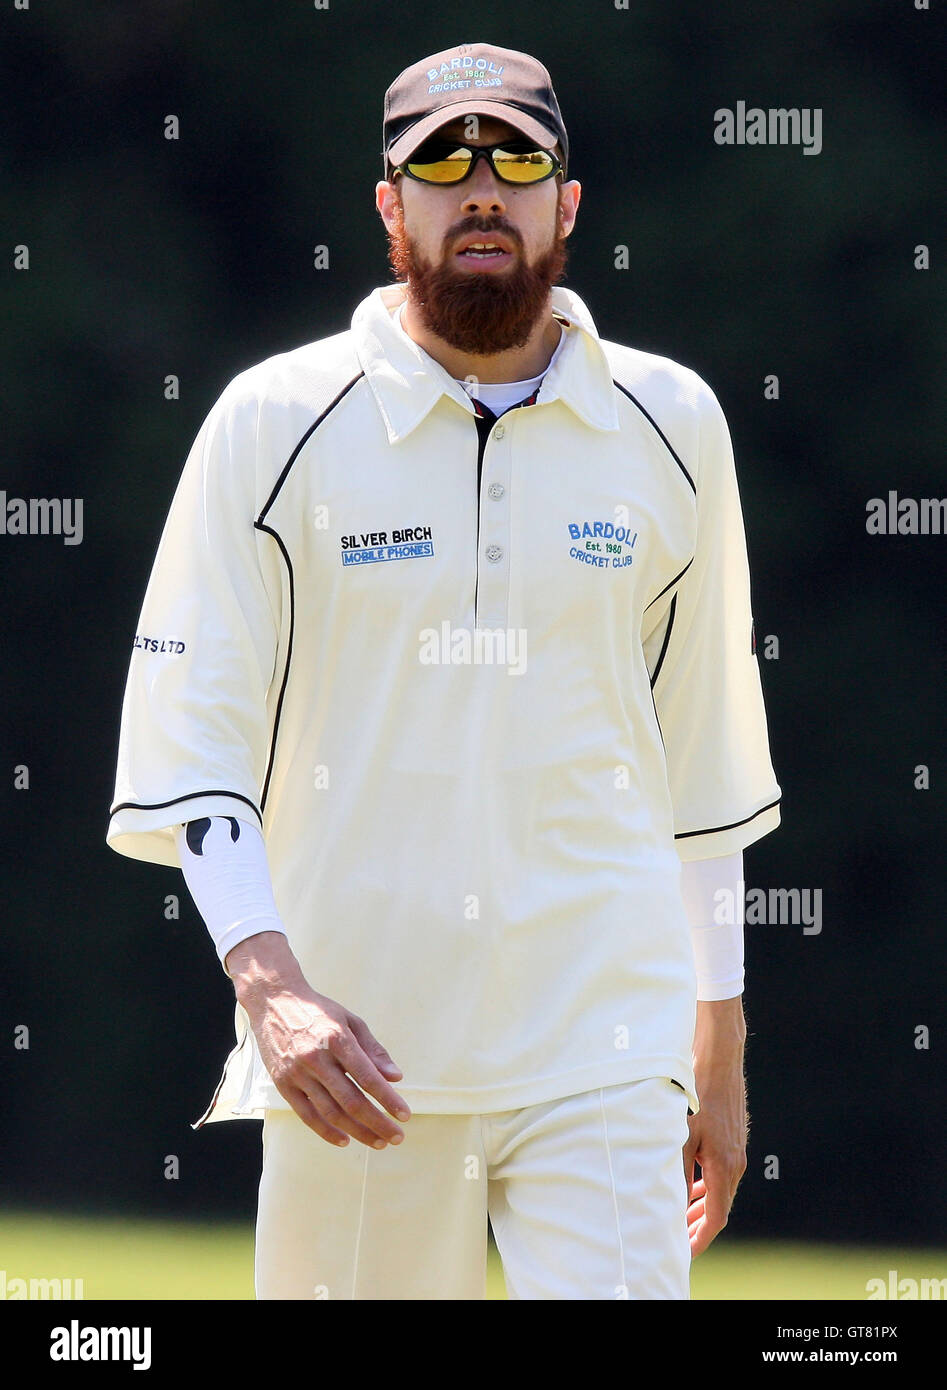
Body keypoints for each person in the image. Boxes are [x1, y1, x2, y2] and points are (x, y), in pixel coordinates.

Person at [107, 41, 781, 1300]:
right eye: (440, 161)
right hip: (356, 1058)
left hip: (604, 1044)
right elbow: (193, 741)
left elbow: (705, 760)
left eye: (517, 159)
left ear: (566, 204)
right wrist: (271, 988)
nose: (482, 189)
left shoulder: (673, 423)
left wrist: (719, 1050)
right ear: (388, 205)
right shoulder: (272, 423)